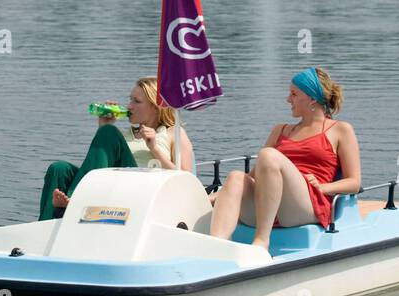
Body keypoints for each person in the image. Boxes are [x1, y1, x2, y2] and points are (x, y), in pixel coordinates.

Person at [209, 67, 361, 250]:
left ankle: (261, 243)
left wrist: (323, 187)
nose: (288, 99)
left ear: (312, 98)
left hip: (306, 206)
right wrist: (219, 194)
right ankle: (216, 248)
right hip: (269, 205)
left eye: (294, 94)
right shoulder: (280, 130)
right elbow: (255, 176)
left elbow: (354, 182)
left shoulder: (340, 130)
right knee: (235, 177)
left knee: (268, 155)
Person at [38, 76, 195, 220]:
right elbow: (102, 164)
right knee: (59, 168)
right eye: (130, 100)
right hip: (115, 186)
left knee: (109, 132)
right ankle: (43, 227)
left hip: (143, 190)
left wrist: (154, 148)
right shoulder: (121, 135)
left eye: (136, 101)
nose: (129, 106)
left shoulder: (174, 132)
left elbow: (187, 181)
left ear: (156, 106)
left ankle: (75, 200)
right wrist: (104, 127)